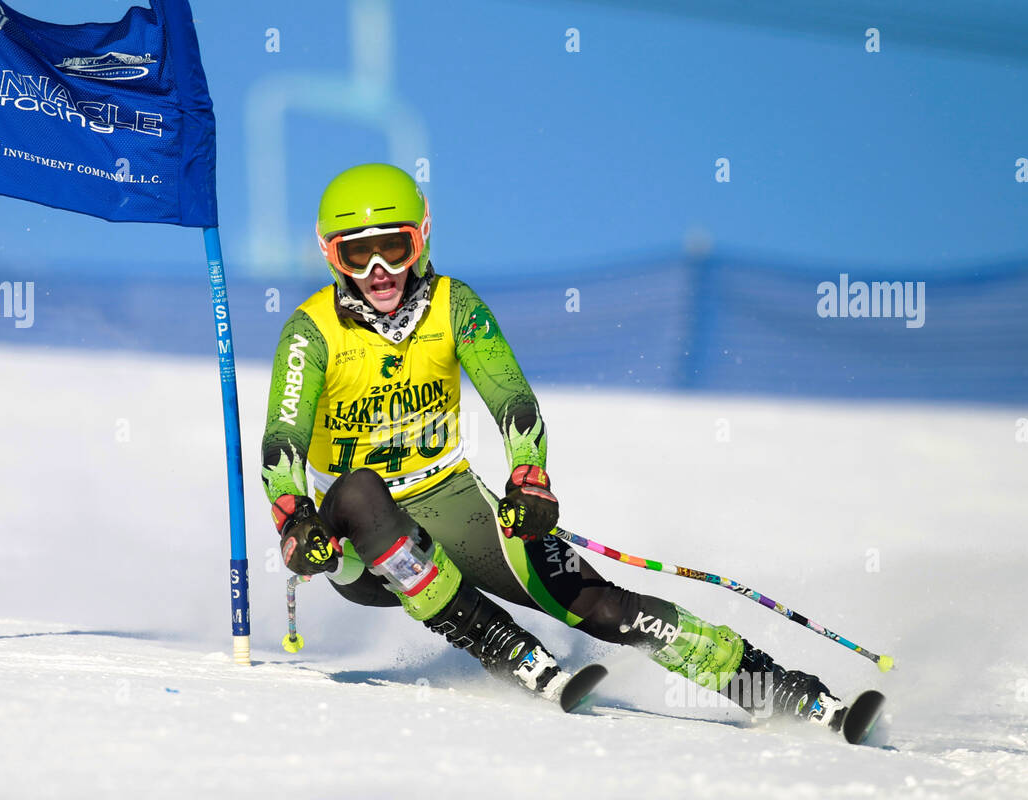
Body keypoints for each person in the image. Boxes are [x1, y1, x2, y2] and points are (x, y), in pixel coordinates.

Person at [261, 162, 848, 729]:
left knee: (602, 605)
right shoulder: (311, 330)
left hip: (453, 500)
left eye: (396, 246)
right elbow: (280, 444)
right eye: (356, 254)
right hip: (357, 542)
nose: (379, 270)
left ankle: (780, 690)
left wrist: (528, 480)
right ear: (329, 255)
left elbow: (514, 402)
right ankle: (511, 650)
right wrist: (295, 520)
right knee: (362, 491)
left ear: (423, 238)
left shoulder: (455, 306)